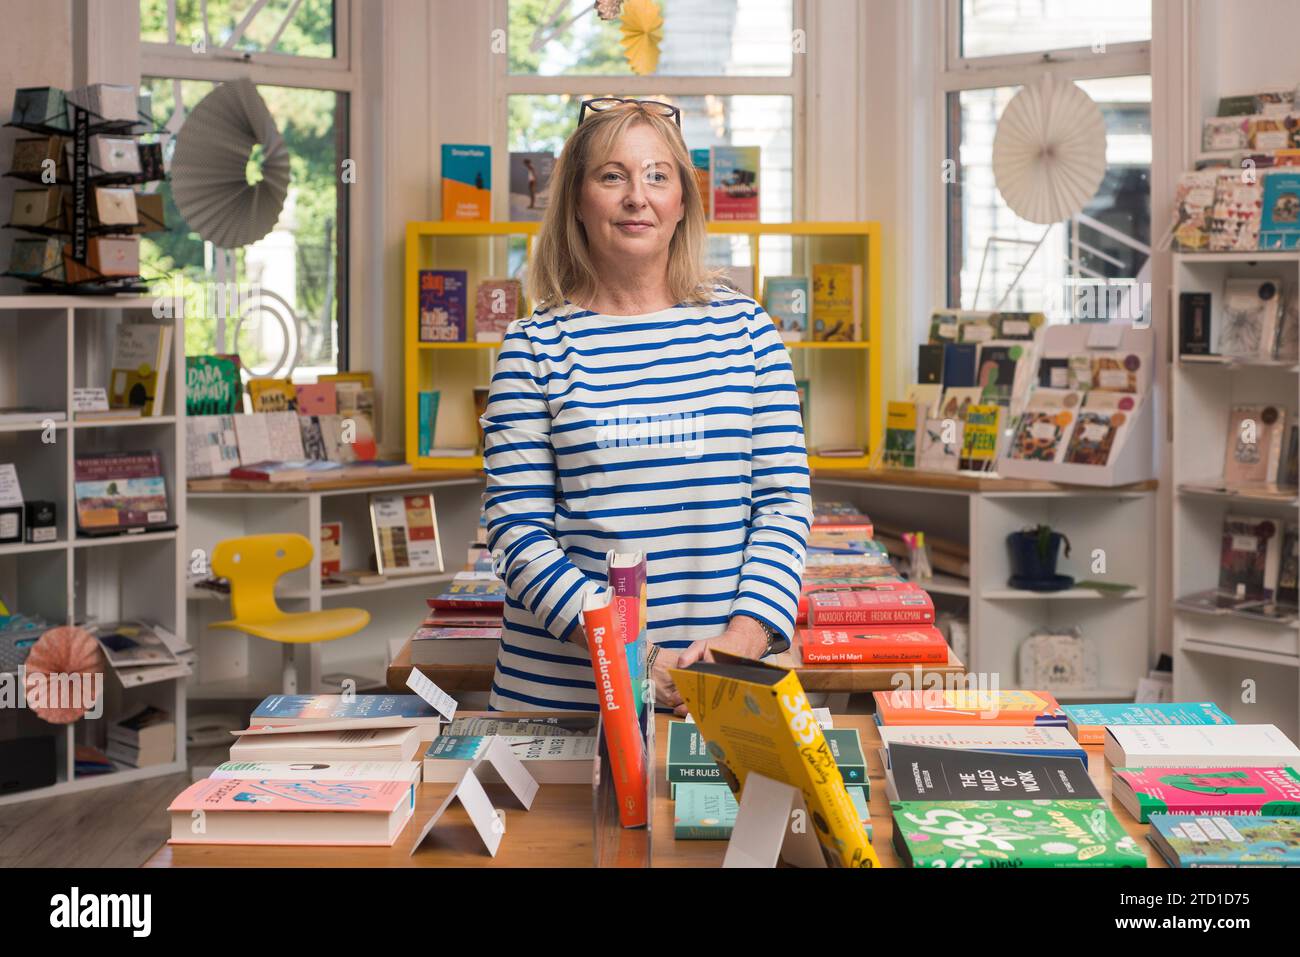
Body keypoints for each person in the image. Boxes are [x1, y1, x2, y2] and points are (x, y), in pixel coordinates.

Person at [481, 98, 812, 714]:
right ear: (578, 201)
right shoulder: (534, 345)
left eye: (659, 176)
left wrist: (744, 639)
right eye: (613, 176)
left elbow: (783, 502)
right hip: (567, 703)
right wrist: (630, 654)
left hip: (717, 691)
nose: (639, 197)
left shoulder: (747, 330)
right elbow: (515, 533)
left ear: (683, 201)